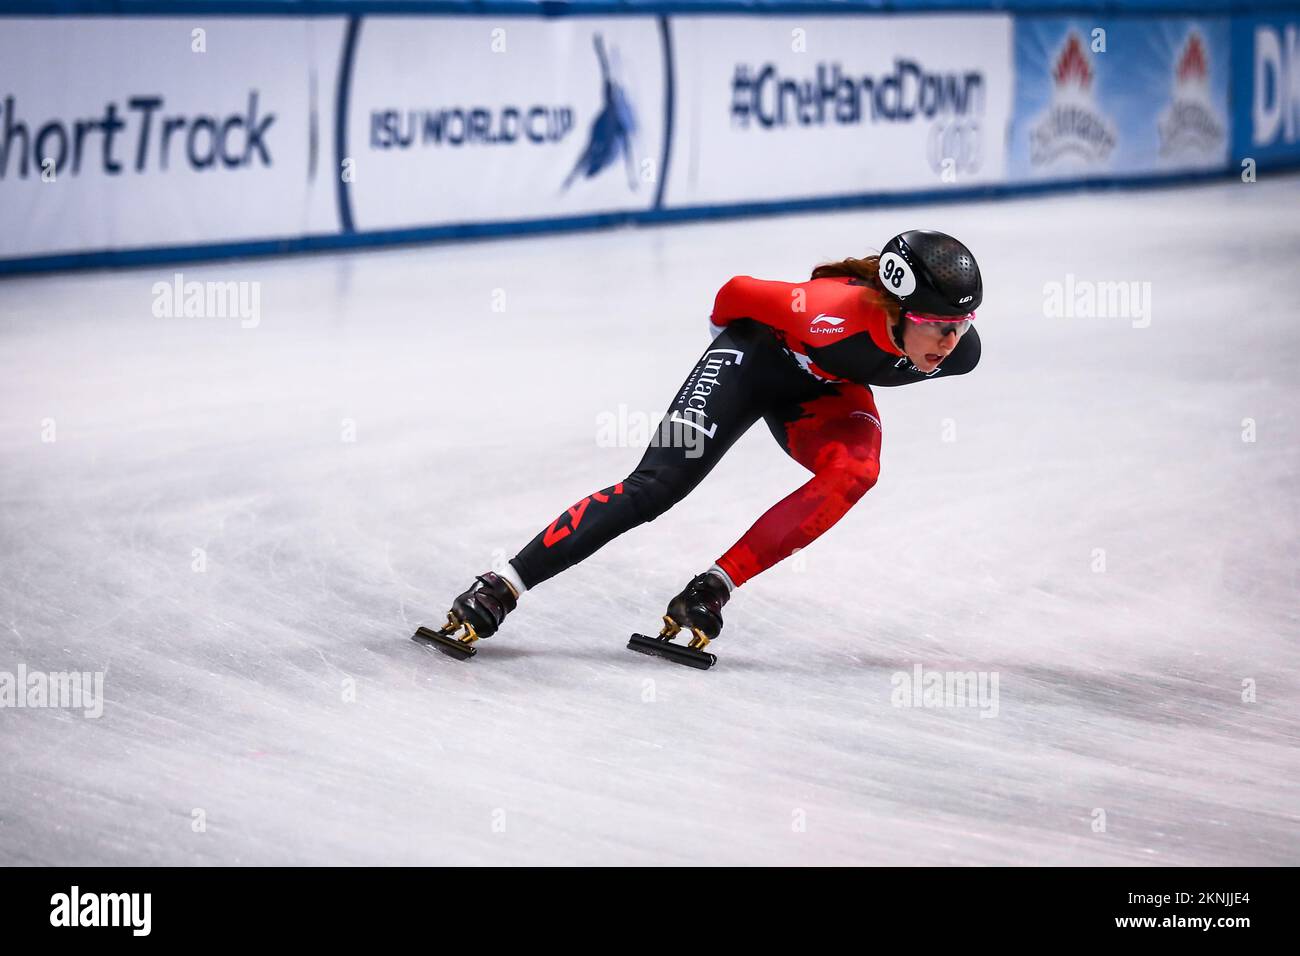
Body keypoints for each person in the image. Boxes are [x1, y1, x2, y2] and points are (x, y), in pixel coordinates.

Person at [420, 229, 983, 665]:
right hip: (750, 359)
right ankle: (502, 585)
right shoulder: (822, 309)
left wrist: (934, 341)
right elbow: (734, 292)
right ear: (898, 310)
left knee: (856, 471)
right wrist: (722, 360)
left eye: (961, 325)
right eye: (938, 326)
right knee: (656, 486)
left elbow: (927, 350)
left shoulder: (957, 353)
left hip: (821, 392)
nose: (950, 341)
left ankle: (710, 589)